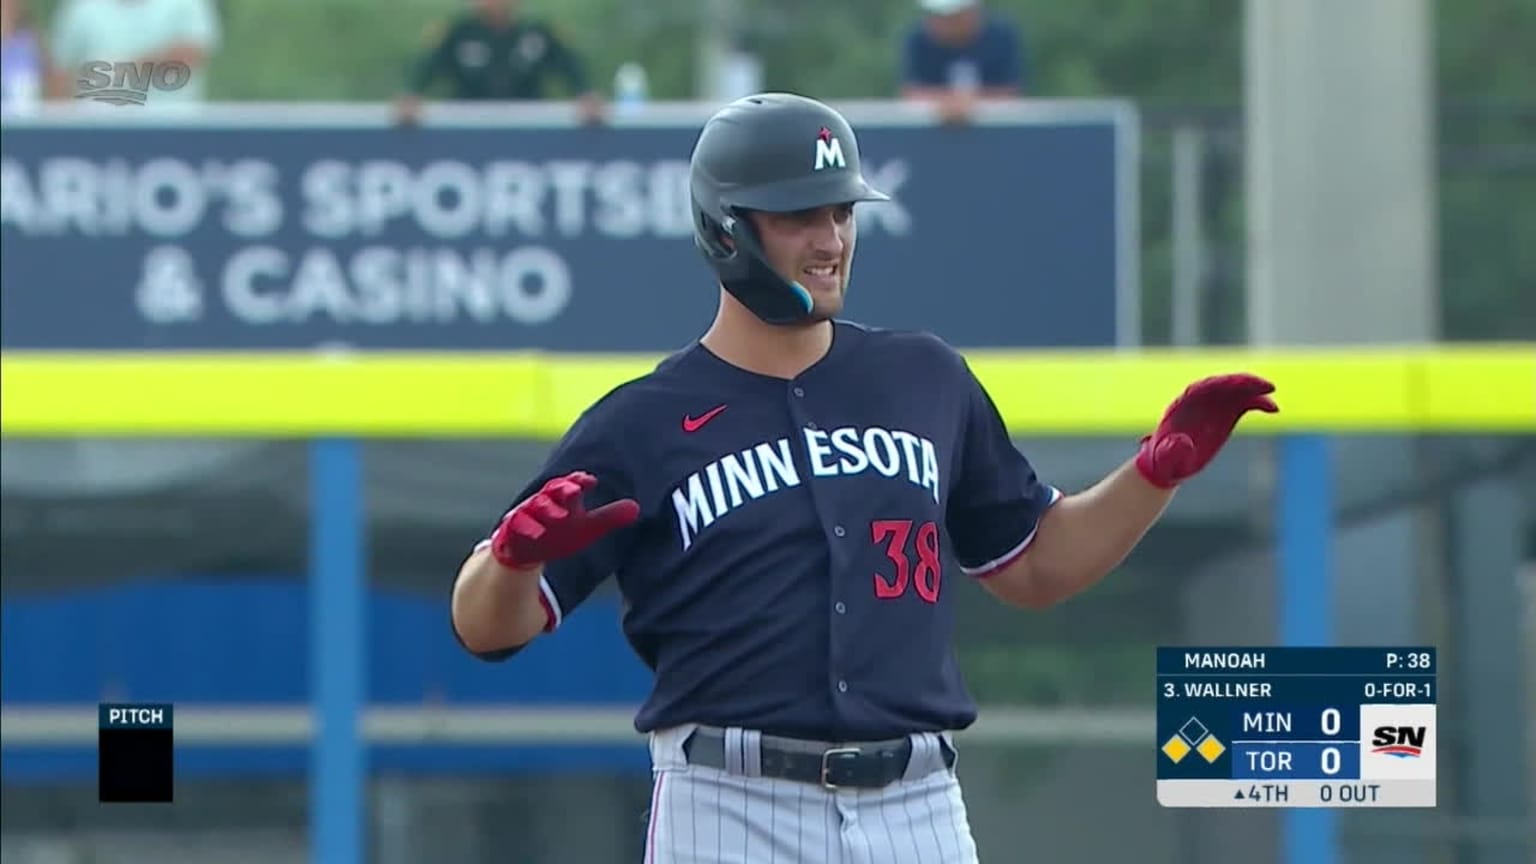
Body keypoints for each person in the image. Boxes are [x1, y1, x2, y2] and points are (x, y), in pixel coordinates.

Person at [450, 92, 1278, 863]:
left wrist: (1153, 476)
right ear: (727, 230)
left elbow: (1033, 563)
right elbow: (487, 627)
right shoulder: (642, 421)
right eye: (799, 215)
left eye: (842, 211)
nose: (832, 238)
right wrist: (509, 564)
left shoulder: (924, 377)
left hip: (915, 803)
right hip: (728, 801)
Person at [394, 0, 602, 125]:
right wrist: (411, 95)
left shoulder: (538, 33)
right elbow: (426, 65)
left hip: (528, 126)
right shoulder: (459, 32)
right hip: (469, 126)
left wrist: (586, 95)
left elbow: (570, 65)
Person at [46, 0, 220, 106]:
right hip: (99, 132)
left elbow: (188, 57)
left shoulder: (186, 4)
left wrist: (118, 72)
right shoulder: (80, 8)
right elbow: (59, 74)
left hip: (172, 129)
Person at [900, 0, 1026, 124]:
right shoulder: (918, 40)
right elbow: (912, 94)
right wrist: (950, 105)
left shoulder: (1002, 37)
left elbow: (1010, 93)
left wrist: (968, 105)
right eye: (936, 15)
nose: (943, 22)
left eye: (953, 16)